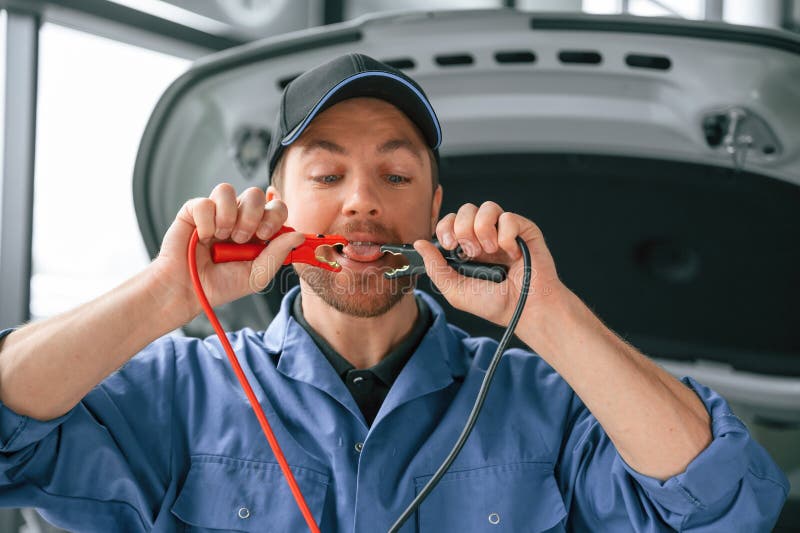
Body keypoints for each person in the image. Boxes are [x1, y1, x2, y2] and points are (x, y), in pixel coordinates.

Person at [0, 53, 788, 532]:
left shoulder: (544, 401)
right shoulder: (183, 390)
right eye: (327, 172)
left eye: (396, 173)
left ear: (433, 208)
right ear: (275, 201)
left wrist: (547, 311)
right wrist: (165, 293)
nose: (361, 201)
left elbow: (723, 502)